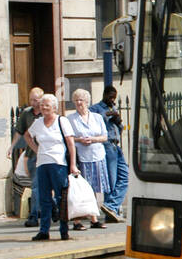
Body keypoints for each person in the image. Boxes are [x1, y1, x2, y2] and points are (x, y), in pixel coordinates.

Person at [24, 93, 77, 241]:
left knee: (61, 197)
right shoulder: (38, 122)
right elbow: (27, 135)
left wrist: (72, 164)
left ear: (54, 107)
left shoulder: (62, 121)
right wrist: (36, 149)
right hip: (42, 164)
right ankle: (44, 230)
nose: (44, 108)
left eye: (47, 105)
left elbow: (71, 144)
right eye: (42, 105)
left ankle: (64, 230)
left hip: (58, 163)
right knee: (44, 198)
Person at [67, 89, 109, 229]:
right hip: (81, 157)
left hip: (97, 156)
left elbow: (105, 136)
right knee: (82, 189)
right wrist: (80, 139)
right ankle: (77, 221)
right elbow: (69, 138)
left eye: (81, 100)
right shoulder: (71, 119)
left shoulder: (97, 117)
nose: (79, 103)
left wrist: (93, 139)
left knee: (96, 188)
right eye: (76, 100)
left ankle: (94, 218)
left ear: (87, 101)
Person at [90, 85, 128, 221]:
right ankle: (111, 212)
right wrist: (108, 115)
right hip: (106, 145)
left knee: (125, 176)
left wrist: (118, 122)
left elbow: (120, 128)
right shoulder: (96, 108)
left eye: (114, 98)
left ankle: (111, 206)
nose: (112, 100)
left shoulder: (113, 108)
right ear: (105, 95)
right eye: (110, 97)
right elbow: (91, 119)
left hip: (115, 145)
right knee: (111, 180)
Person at [8, 87, 43, 225]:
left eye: (36, 100)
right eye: (31, 100)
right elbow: (20, 131)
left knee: (50, 185)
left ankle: (53, 209)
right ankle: (34, 215)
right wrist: (11, 147)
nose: (33, 103)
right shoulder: (26, 114)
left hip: (49, 156)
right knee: (35, 185)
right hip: (32, 156)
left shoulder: (48, 114)